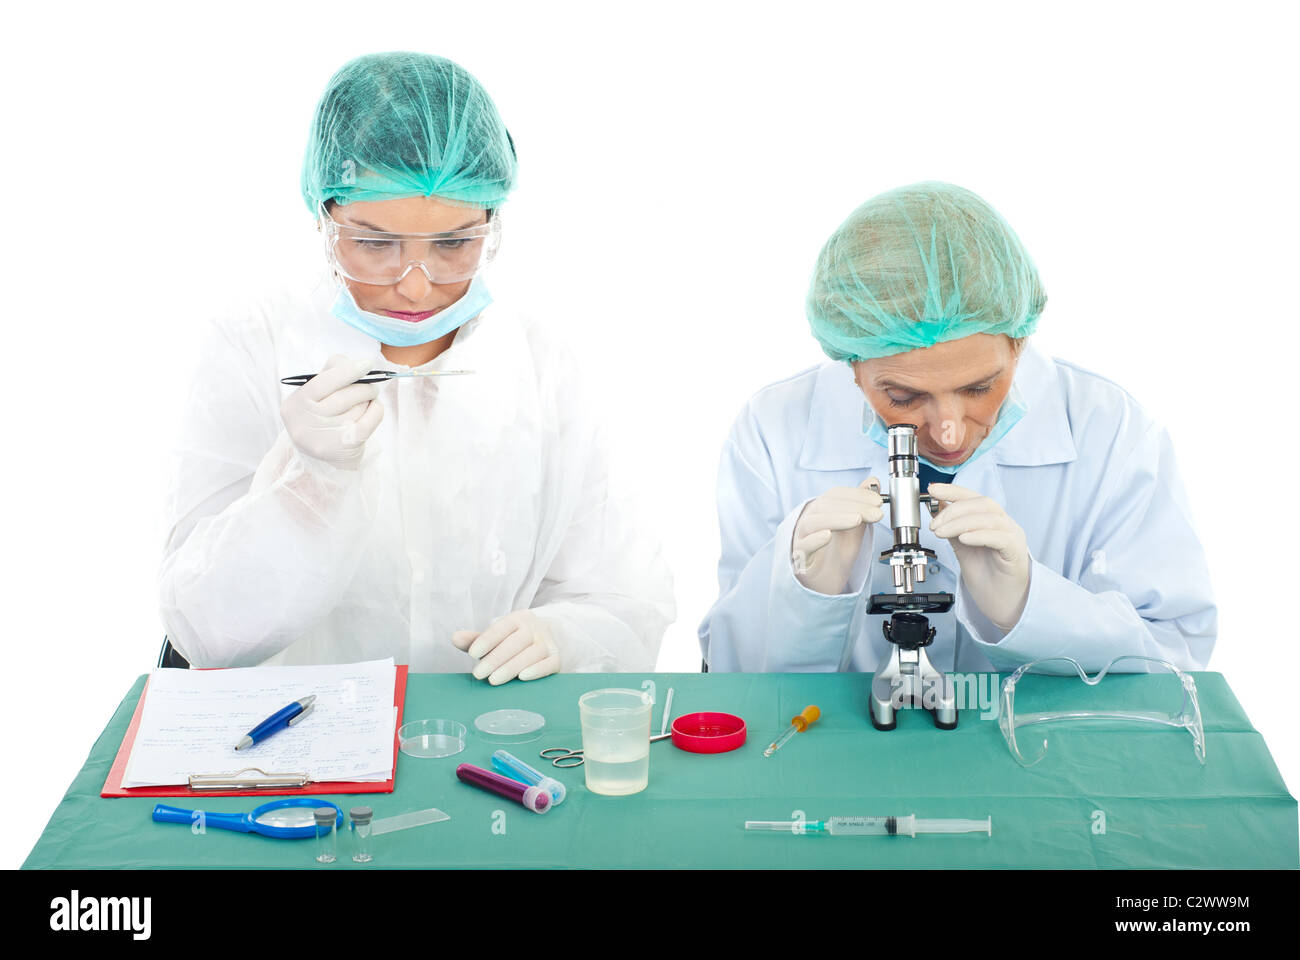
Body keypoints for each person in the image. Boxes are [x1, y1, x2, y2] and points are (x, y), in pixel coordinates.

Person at [160, 52, 674, 678]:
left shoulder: (545, 364)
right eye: (375, 244)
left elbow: (624, 597)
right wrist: (309, 483)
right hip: (297, 745)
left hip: (490, 742)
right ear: (324, 218)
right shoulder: (254, 343)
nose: (414, 285)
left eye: (454, 244)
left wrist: (564, 635)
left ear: (492, 220)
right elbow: (205, 630)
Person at [699, 181, 1215, 675]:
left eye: (979, 388)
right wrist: (804, 596)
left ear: (1019, 342)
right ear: (851, 364)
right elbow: (732, 678)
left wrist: (1029, 606)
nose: (947, 433)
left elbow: (1177, 658)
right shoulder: (771, 433)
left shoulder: (1113, 433)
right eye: (902, 396)